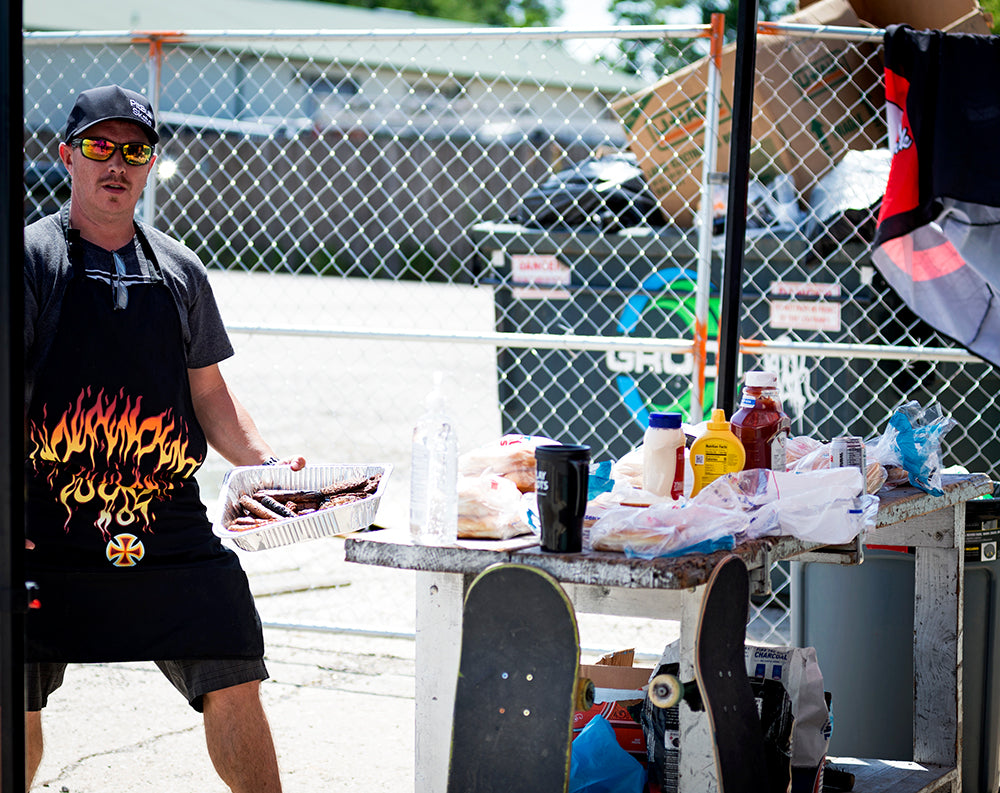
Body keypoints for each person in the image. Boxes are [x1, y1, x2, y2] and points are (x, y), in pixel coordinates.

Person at [21, 84, 300, 792]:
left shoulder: (180, 271)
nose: (117, 163)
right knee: (10, 694)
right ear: (67, 156)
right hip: (42, 523)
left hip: (165, 522)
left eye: (134, 150)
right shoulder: (29, 261)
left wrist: (270, 468)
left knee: (233, 659)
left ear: (150, 165)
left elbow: (209, 392)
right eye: (99, 146)